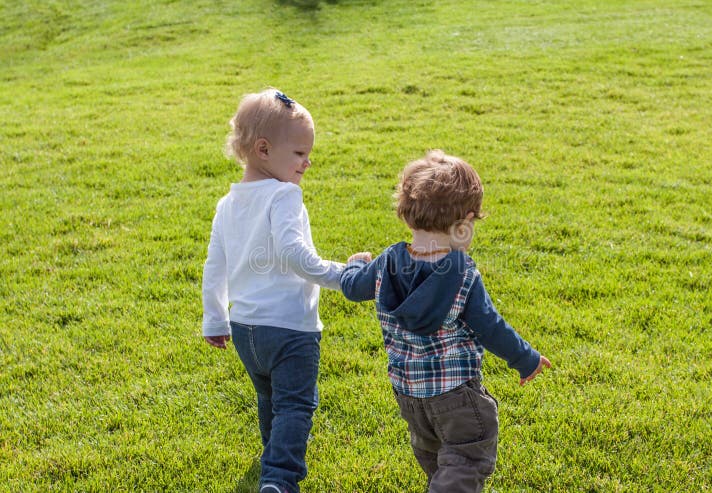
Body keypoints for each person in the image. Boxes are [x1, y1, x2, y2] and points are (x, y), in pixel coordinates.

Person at [340, 150, 552, 492]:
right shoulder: (462, 273)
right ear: (465, 221)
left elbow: (351, 287)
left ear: (407, 218)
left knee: (437, 459)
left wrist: (353, 264)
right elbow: (491, 327)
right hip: (456, 395)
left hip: (409, 395)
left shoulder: (385, 263)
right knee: (467, 460)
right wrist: (525, 359)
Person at [201, 88, 345, 493]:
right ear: (264, 150)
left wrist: (215, 317)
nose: (308, 161)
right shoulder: (284, 195)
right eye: (299, 153)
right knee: (296, 404)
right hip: (290, 329)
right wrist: (342, 275)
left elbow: (216, 266)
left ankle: (272, 454)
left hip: (246, 328)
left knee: (269, 399)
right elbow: (295, 254)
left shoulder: (228, 203)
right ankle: (279, 479)